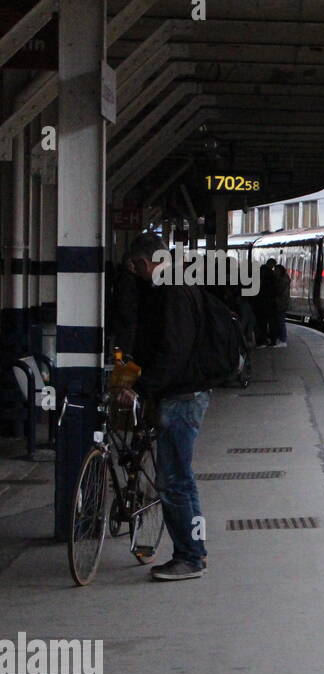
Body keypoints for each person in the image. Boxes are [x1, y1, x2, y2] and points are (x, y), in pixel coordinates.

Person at [120, 232, 212, 581]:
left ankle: (189, 557)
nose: (137, 275)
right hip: (187, 393)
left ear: (147, 262)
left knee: (173, 481)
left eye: (136, 268)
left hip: (182, 397)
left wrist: (141, 388)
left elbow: (172, 351)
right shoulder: (181, 283)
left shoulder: (171, 291)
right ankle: (196, 552)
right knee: (183, 480)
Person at [269, 260, 291, 348]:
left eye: (276, 270)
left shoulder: (282, 280)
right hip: (280, 303)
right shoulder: (284, 279)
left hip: (281, 303)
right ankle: (281, 339)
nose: (274, 272)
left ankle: (283, 340)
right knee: (279, 321)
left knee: (280, 321)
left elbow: (278, 290)